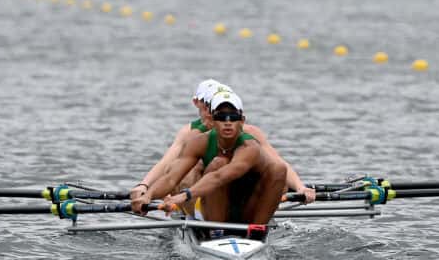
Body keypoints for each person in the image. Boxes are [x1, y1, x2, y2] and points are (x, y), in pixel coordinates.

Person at [128, 81, 315, 207]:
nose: (210, 114)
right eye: (210, 108)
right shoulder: (191, 134)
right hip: (198, 196)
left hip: (233, 193)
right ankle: (198, 212)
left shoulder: (250, 133)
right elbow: (166, 166)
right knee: (195, 168)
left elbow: (279, 163)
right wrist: (144, 188)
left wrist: (300, 188)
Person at [131, 92, 286, 230]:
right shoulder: (199, 142)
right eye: (221, 117)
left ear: (242, 121)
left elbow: (221, 176)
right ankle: (216, 230)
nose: (228, 122)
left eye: (233, 117)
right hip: (214, 209)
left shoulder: (249, 146)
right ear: (211, 120)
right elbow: (171, 178)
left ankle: (257, 231)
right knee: (219, 162)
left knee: (279, 169)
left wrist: (185, 196)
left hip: (247, 208)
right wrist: (148, 196)